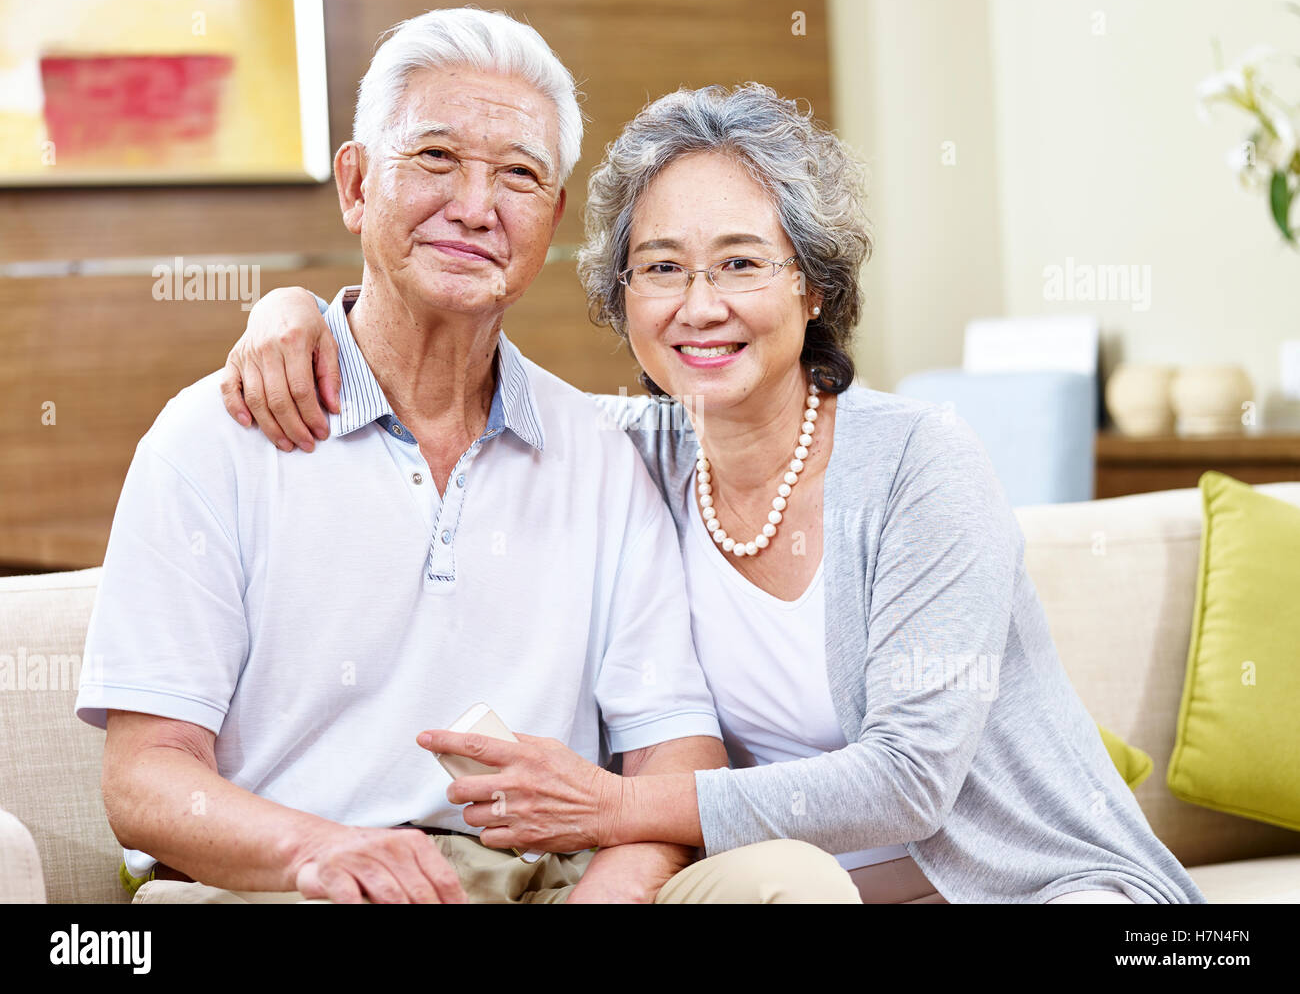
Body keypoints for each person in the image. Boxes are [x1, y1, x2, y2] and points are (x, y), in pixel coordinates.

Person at [225, 79, 1210, 905]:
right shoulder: (628, 456)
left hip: (1034, 888)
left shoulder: (920, 462)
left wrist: (614, 807)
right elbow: (457, 387)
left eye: (739, 263)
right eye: (661, 268)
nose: (700, 307)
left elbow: (910, 781)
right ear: (624, 298)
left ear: (812, 286)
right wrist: (294, 312)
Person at [75, 8, 863, 905]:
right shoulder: (214, 438)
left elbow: (673, 750)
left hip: (548, 883)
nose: (476, 206)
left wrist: (609, 895)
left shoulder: (603, 455)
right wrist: (317, 854)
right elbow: (145, 775)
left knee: (790, 881)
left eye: (518, 174)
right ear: (356, 184)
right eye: (436, 157)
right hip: (292, 881)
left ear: (551, 219)